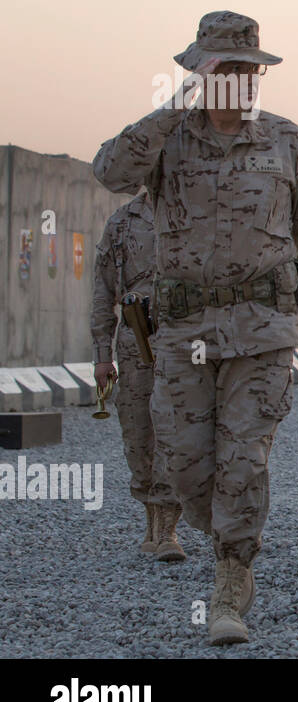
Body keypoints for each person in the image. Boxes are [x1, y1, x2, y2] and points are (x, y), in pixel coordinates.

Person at [92, 11, 298, 646]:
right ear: (200, 71)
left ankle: (232, 576)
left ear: (259, 75)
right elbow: (109, 171)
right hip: (184, 331)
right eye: (221, 67)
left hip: (263, 329)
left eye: (246, 68)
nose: (238, 78)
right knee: (182, 463)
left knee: (243, 455)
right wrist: (176, 103)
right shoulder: (167, 141)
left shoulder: (286, 140)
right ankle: (219, 528)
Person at [91, 188, 185, 562]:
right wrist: (101, 356)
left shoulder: (192, 210)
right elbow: (102, 291)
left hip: (183, 337)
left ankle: (167, 525)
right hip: (134, 341)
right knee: (138, 431)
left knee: (176, 430)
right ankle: (150, 515)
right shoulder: (121, 221)